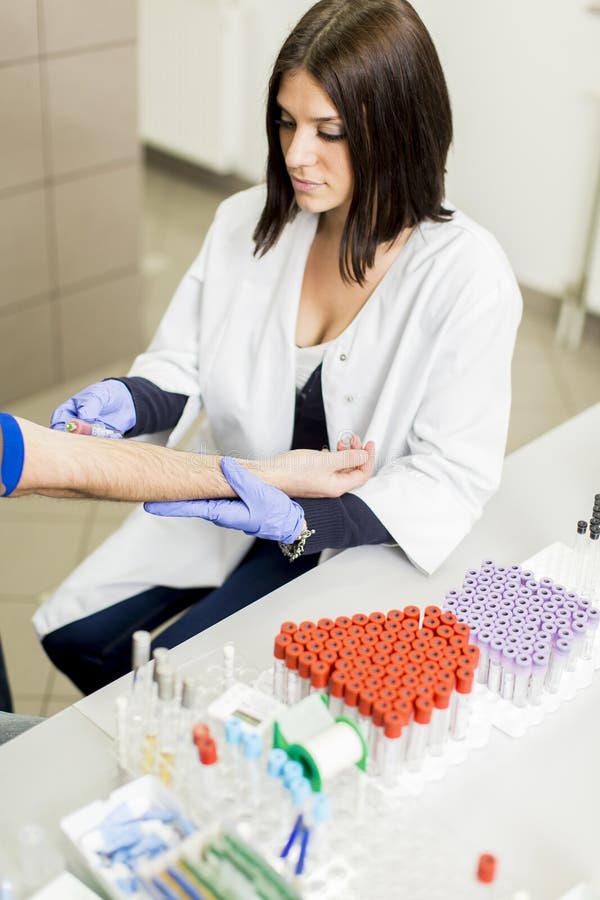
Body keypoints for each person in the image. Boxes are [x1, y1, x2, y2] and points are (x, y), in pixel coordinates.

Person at [36, 0, 522, 694]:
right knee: (72, 635)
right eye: (287, 122)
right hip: (232, 507)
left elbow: (450, 476)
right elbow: (186, 362)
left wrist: (301, 518)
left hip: (356, 537)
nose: (296, 154)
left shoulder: (466, 277)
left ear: (399, 129)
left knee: (183, 682)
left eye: (330, 132)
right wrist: (132, 398)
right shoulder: (249, 222)